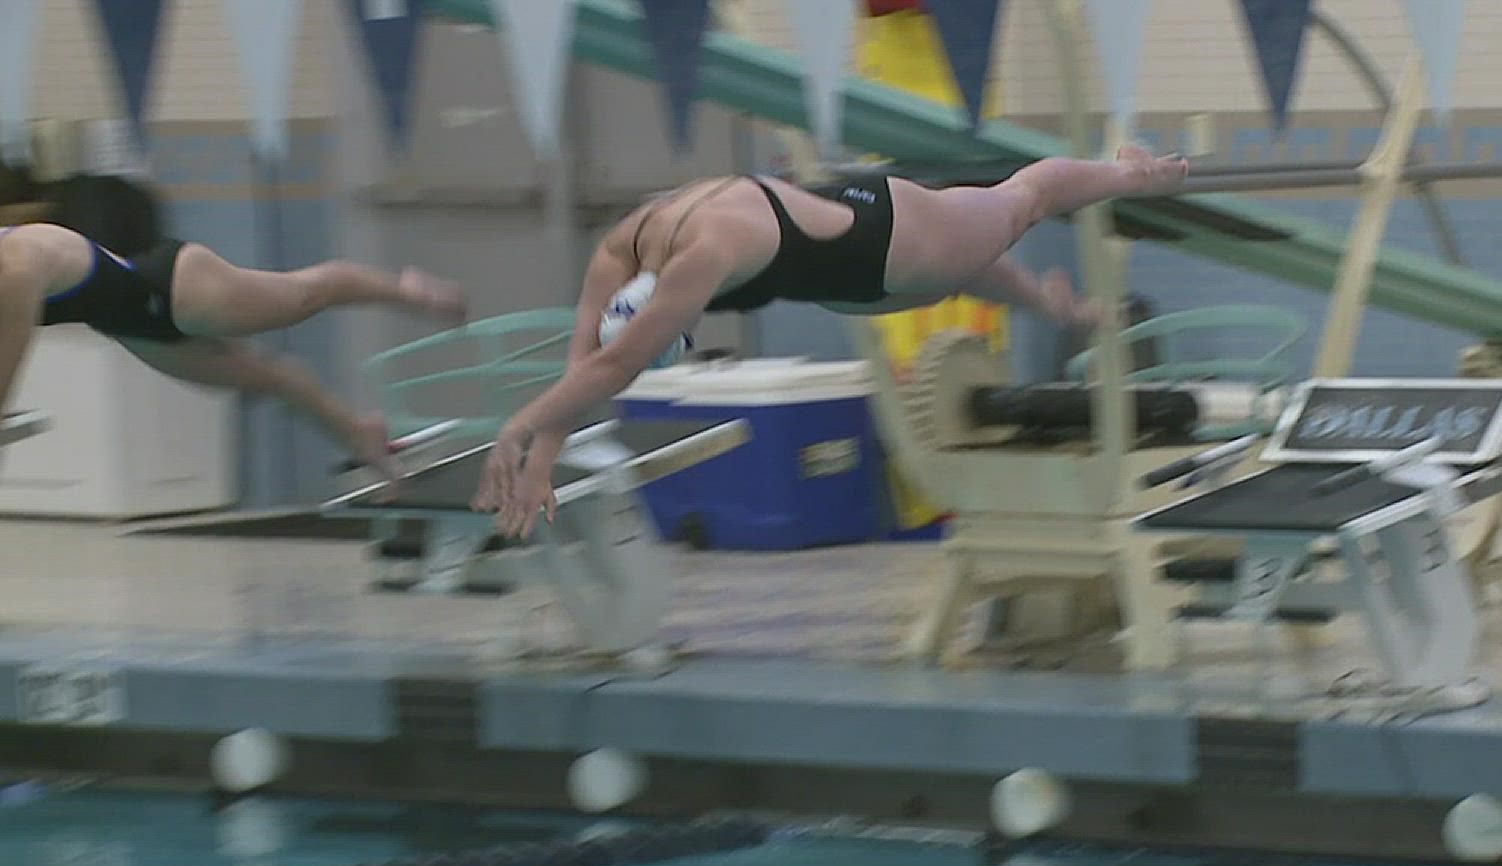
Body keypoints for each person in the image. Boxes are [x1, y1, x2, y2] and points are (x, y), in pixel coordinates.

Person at [471, 145, 1191, 537]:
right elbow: (592, 362)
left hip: (888, 238)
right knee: (965, 272)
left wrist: (518, 426)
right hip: (842, 271)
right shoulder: (619, 248)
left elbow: (616, 366)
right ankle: (1052, 303)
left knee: (1021, 200)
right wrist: (542, 460)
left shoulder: (702, 256)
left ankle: (1130, 172)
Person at [0, 219, 466, 484]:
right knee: (273, 380)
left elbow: (8, 359)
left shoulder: (17, 265)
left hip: (178, 287)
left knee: (301, 296)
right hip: (132, 327)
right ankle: (360, 433)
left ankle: (407, 289)